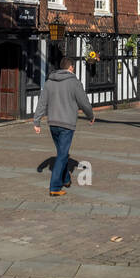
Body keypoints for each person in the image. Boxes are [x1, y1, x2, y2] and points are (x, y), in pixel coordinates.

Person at [32, 58, 95, 196]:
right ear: (71, 67)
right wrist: (90, 116)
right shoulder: (74, 82)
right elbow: (84, 102)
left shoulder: (49, 82)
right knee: (62, 155)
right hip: (67, 124)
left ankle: (66, 179)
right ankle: (54, 187)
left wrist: (36, 122)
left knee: (62, 153)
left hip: (53, 123)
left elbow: (42, 103)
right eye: (74, 67)